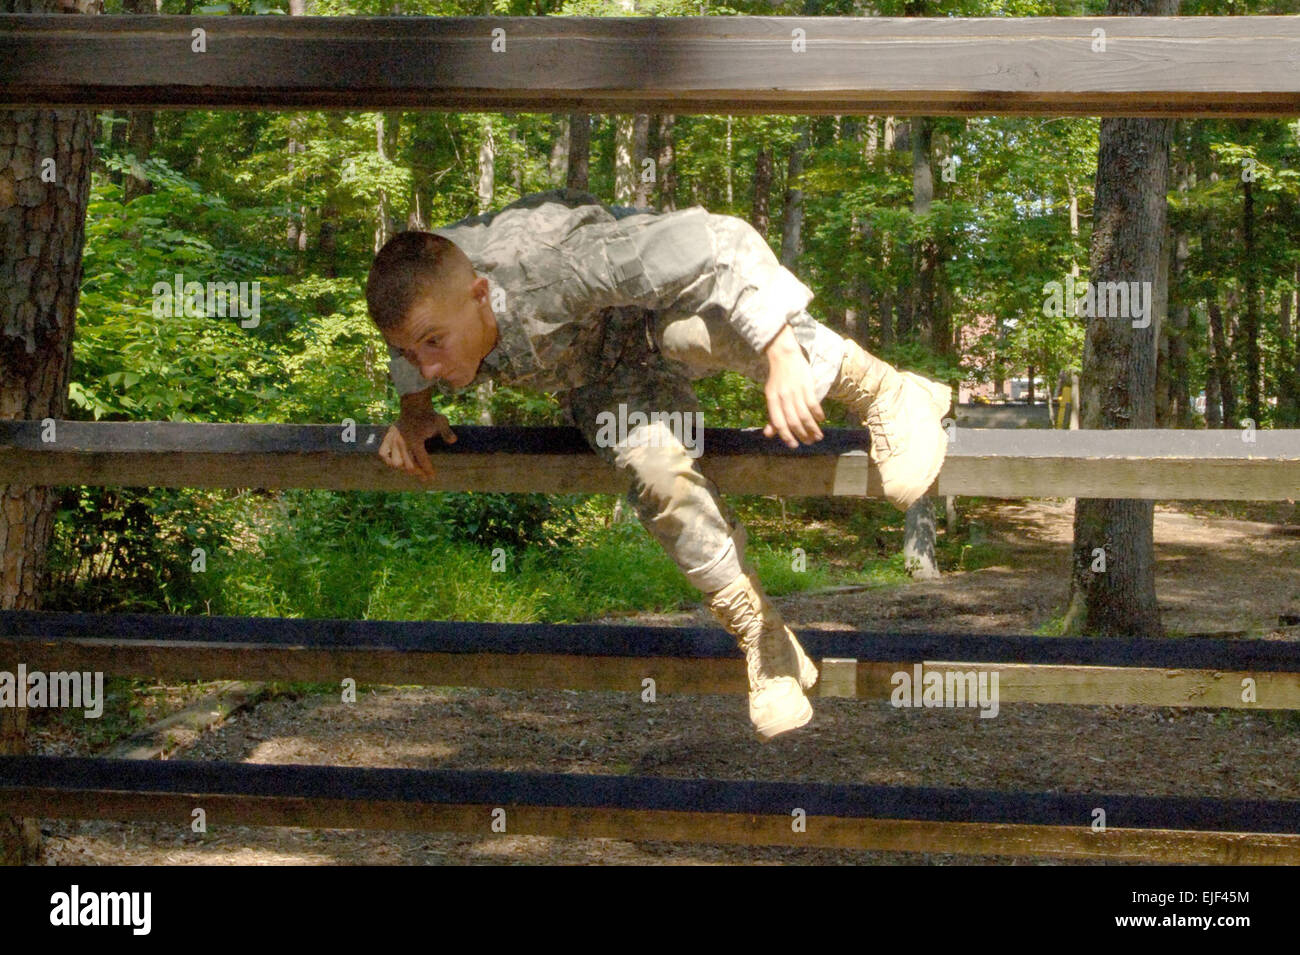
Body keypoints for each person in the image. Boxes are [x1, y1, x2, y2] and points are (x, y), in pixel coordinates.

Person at [366, 188, 950, 740]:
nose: (426, 364)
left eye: (434, 344)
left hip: (652, 314)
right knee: (655, 475)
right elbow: (407, 343)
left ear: (481, 294)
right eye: (410, 352)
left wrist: (782, 353)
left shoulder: (558, 266)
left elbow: (723, 239)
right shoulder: (422, 298)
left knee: (705, 329)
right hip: (603, 378)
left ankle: (887, 392)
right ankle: (764, 639)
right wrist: (414, 410)